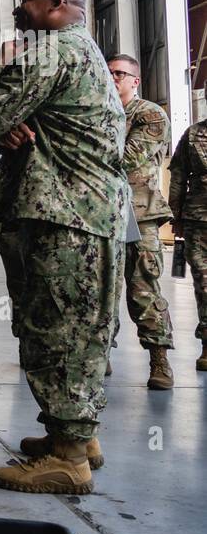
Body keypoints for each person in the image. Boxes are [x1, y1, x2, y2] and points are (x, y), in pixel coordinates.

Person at [0, 0, 126, 493]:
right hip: (92, 216)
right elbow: (18, 124)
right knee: (84, 330)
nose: (19, 10)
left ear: (56, 3)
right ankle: (79, 436)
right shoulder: (87, 53)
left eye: (27, 2)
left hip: (65, 218)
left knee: (56, 331)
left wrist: (1, 65)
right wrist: (12, 129)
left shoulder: (50, 51)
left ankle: (68, 459)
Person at [108, 54, 174, 390]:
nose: (112, 78)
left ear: (135, 81)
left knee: (143, 289)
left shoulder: (149, 114)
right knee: (100, 292)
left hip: (139, 215)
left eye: (119, 74)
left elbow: (127, 157)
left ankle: (159, 359)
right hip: (101, 215)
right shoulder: (96, 112)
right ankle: (99, 355)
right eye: (108, 73)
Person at [169, 113, 207, 375]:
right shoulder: (193, 133)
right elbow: (178, 176)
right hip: (198, 220)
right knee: (204, 284)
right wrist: (176, 216)